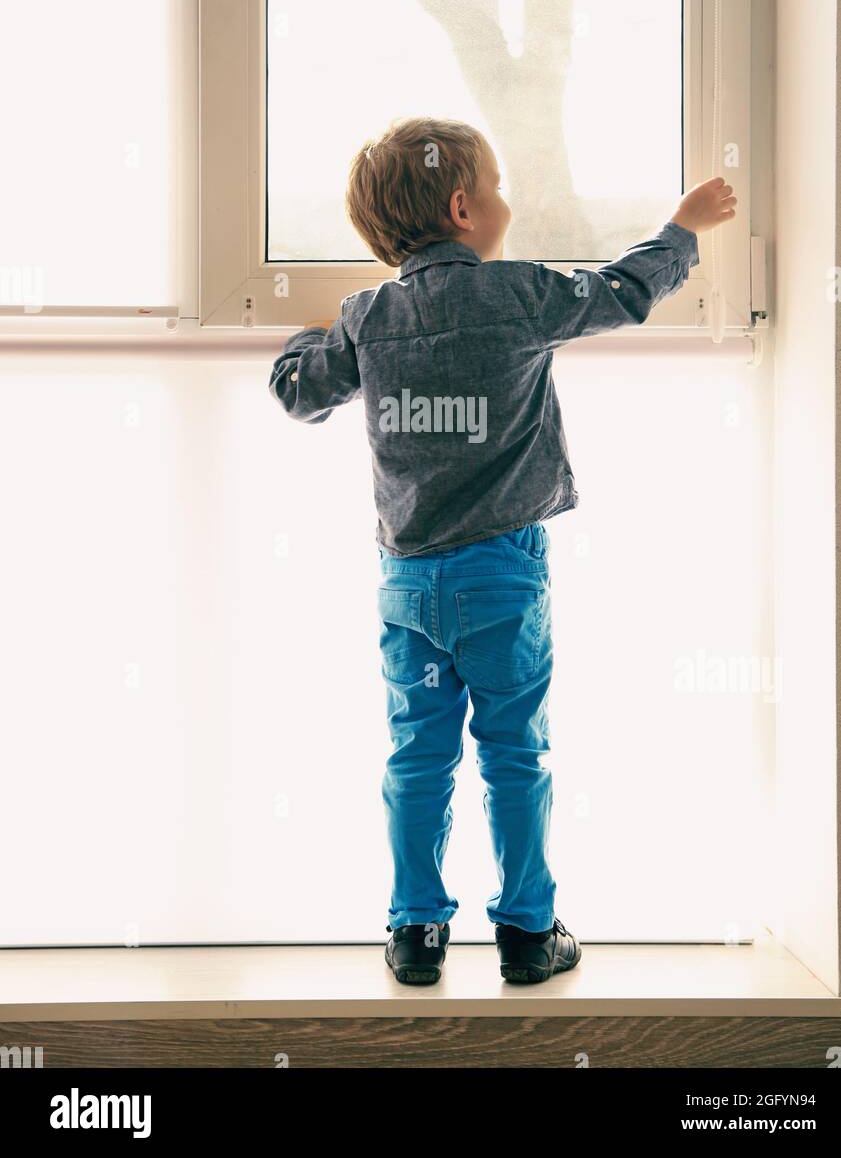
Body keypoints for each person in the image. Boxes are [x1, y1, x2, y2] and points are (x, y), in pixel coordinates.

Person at [268, 117, 736, 986]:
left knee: (417, 754)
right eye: (497, 186)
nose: (506, 201)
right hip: (503, 579)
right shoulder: (520, 296)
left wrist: (308, 336)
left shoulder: (367, 318)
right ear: (463, 208)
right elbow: (624, 291)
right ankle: (527, 933)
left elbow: (299, 392)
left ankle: (414, 933)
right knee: (515, 751)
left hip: (408, 586)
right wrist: (684, 226)